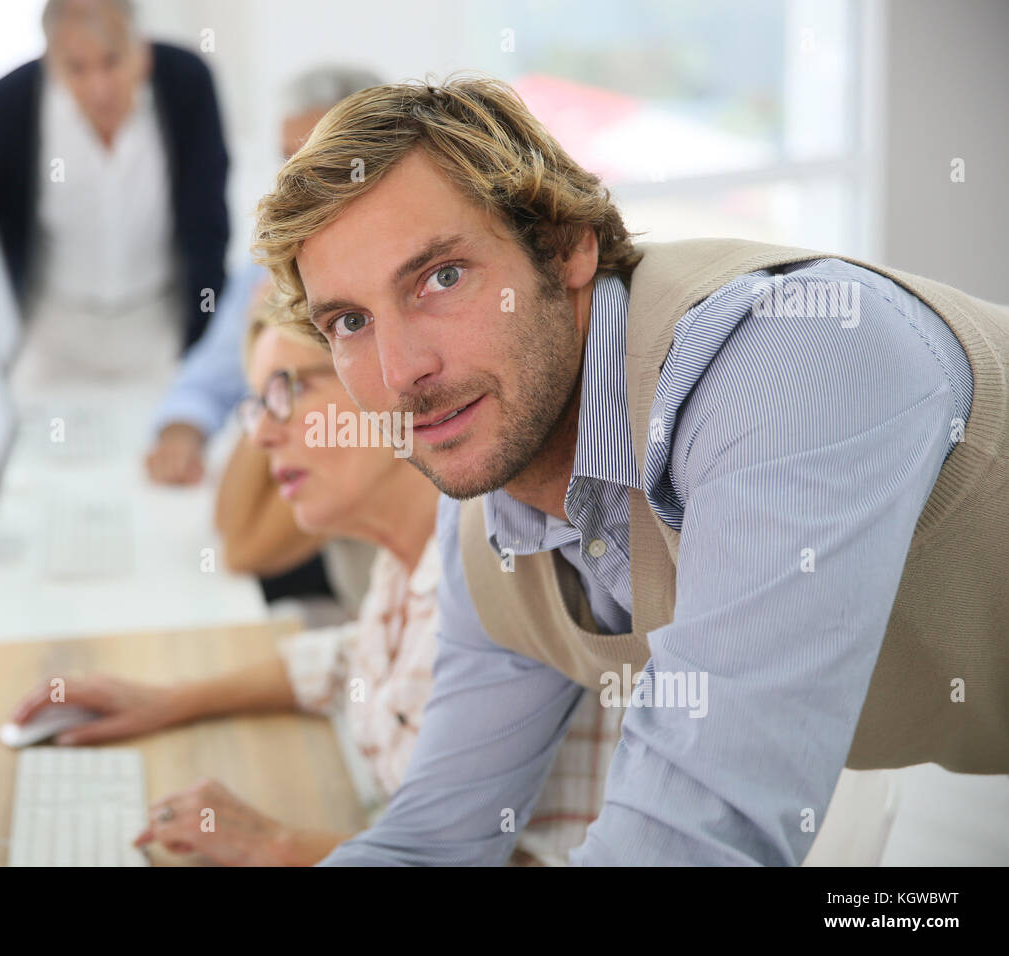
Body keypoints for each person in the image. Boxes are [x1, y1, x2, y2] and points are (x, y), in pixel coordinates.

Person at [251, 74, 1008, 865]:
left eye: (441, 277)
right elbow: (429, 843)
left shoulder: (790, 359)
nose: (402, 371)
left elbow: (687, 845)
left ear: (566, 244)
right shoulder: (484, 509)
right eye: (350, 321)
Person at [6, 303, 625, 866]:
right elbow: (349, 661)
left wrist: (272, 847)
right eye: (258, 405)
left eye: (292, 391)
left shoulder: (499, 583)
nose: (262, 435)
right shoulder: (406, 561)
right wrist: (167, 699)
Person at [0, 0, 229, 379]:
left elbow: (209, 220)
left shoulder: (189, 84)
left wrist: (207, 333)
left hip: (158, 321)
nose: (99, 88)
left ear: (142, 49)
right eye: (76, 68)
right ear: (50, 61)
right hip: (52, 327)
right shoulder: (1, 109)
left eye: (112, 61)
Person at [146, 65, 382, 485]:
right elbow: (207, 378)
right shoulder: (267, 269)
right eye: (287, 161)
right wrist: (181, 434)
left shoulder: (396, 271)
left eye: (316, 159)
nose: (293, 184)